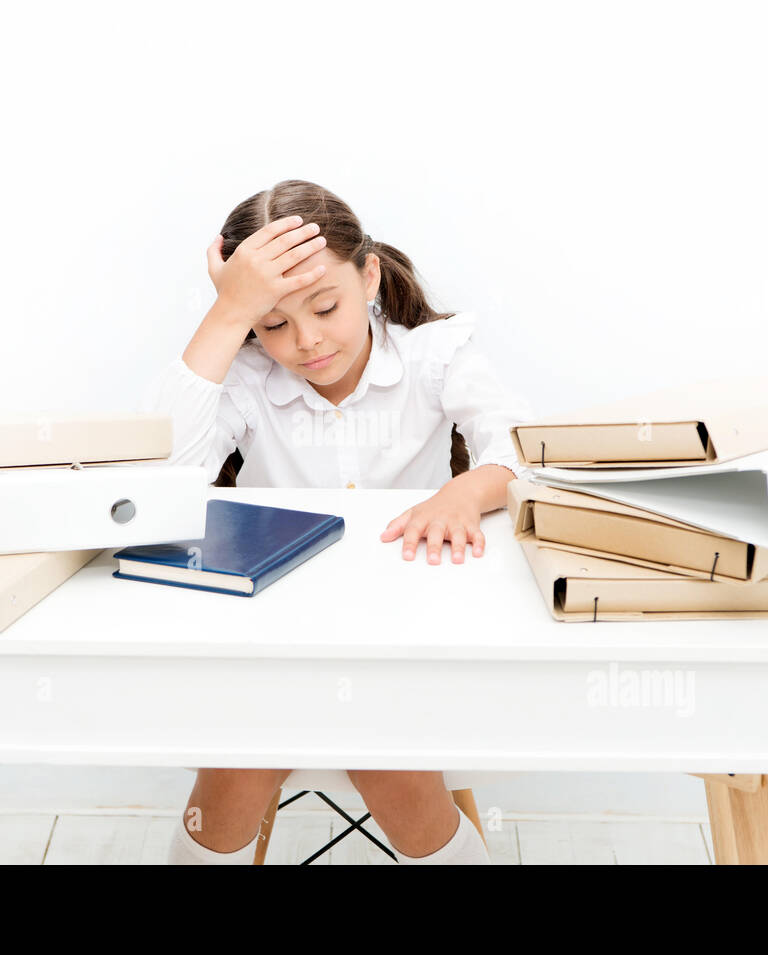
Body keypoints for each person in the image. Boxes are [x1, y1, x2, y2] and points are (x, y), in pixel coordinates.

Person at [143, 180, 533, 864]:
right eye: (273, 322)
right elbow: (158, 479)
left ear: (370, 274)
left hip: (407, 640)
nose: (307, 341)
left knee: (390, 759)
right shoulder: (246, 376)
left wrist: (465, 493)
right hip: (273, 646)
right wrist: (228, 312)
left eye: (326, 307)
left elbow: (523, 451)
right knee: (236, 767)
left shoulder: (431, 355)